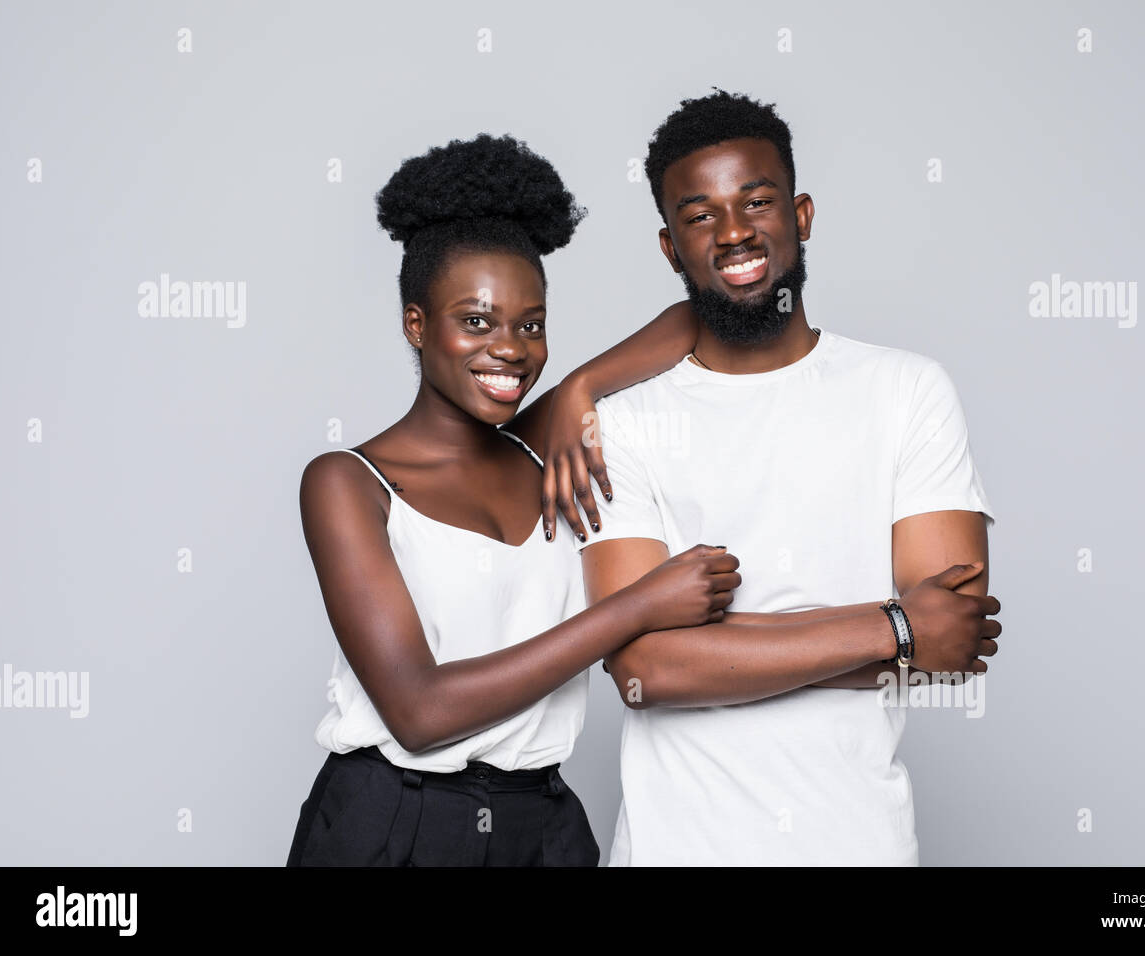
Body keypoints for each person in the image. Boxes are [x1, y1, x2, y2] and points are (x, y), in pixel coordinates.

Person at [573, 90, 1004, 866]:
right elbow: (644, 668)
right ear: (671, 247)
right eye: (700, 215)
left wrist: (709, 647)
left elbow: (954, 637)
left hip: (860, 845)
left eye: (757, 201)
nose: (733, 231)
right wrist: (896, 626)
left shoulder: (907, 391)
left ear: (801, 215)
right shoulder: (625, 424)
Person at [285, 133, 740, 867]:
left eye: (531, 325)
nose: (511, 349)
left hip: (540, 823)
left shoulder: (542, 450)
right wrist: (637, 607)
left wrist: (583, 387)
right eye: (476, 322)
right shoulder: (348, 482)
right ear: (416, 324)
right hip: (394, 822)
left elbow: (702, 316)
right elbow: (420, 711)